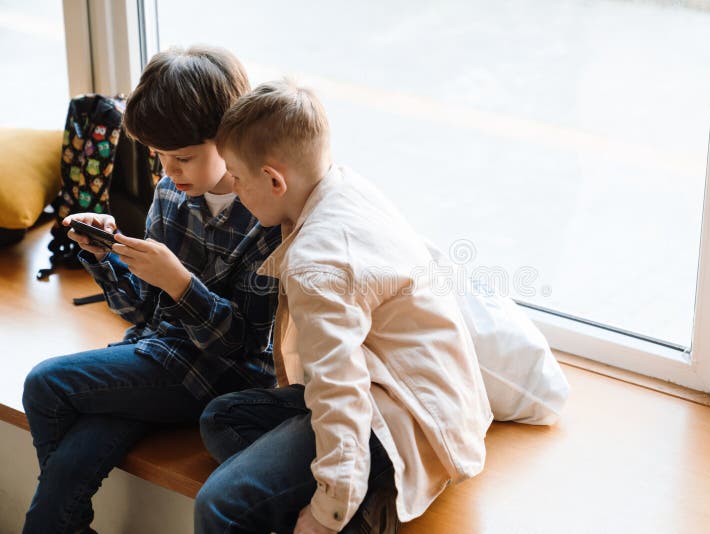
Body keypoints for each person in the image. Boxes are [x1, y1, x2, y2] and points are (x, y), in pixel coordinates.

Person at [194, 79, 492, 534]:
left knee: (219, 503)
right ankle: (367, 493)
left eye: (236, 176)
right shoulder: (340, 184)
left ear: (274, 180)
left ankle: (359, 505)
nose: (233, 188)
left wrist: (327, 512)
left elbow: (341, 395)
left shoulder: (319, 262)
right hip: (401, 384)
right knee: (221, 419)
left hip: (404, 414)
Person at [21, 46, 281, 534]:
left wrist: (180, 284)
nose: (168, 172)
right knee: (69, 471)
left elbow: (247, 345)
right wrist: (105, 259)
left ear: (230, 139)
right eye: (158, 157)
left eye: (183, 157)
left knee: (45, 383)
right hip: (158, 360)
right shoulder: (170, 193)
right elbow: (139, 312)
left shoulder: (264, 214)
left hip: (220, 378)